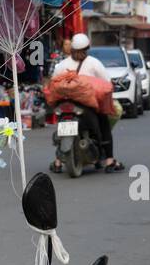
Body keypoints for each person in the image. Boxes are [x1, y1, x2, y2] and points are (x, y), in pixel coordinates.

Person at [51, 32, 122, 172]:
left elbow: (53, 83)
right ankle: (109, 160)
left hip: (65, 105)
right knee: (104, 123)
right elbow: (107, 83)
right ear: (87, 48)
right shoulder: (94, 63)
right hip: (87, 106)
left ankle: (58, 162)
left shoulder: (62, 65)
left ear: (71, 49)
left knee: (60, 125)